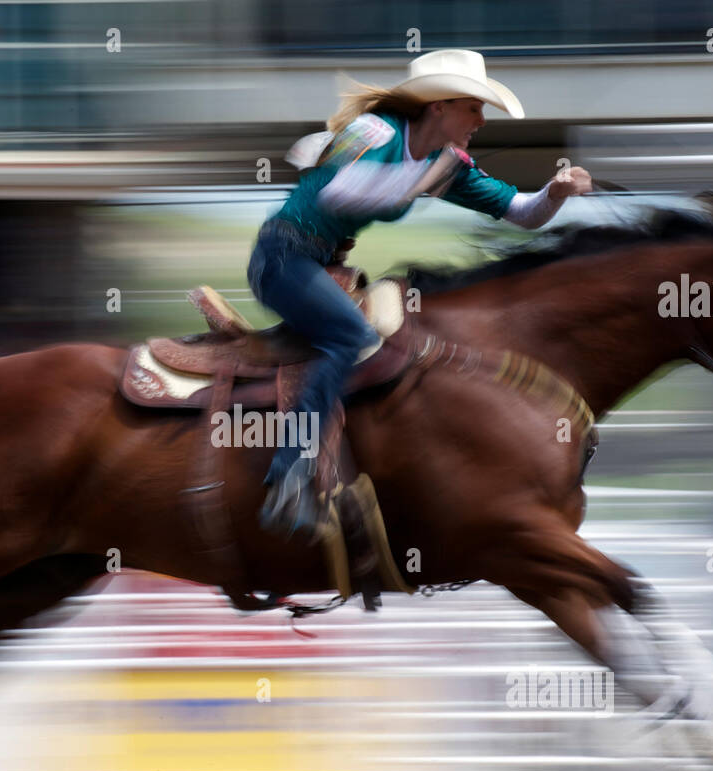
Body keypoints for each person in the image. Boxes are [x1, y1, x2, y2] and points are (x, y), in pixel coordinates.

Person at [250, 48, 593, 538]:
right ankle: (289, 476)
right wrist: (426, 177)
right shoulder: (375, 132)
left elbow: (521, 212)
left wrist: (556, 191)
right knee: (348, 337)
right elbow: (338, 192)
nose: (480, 120)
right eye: (473, 107)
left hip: (320, 262)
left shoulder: (445, 163)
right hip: (281, 257)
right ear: (439, 107)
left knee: (394, 341)